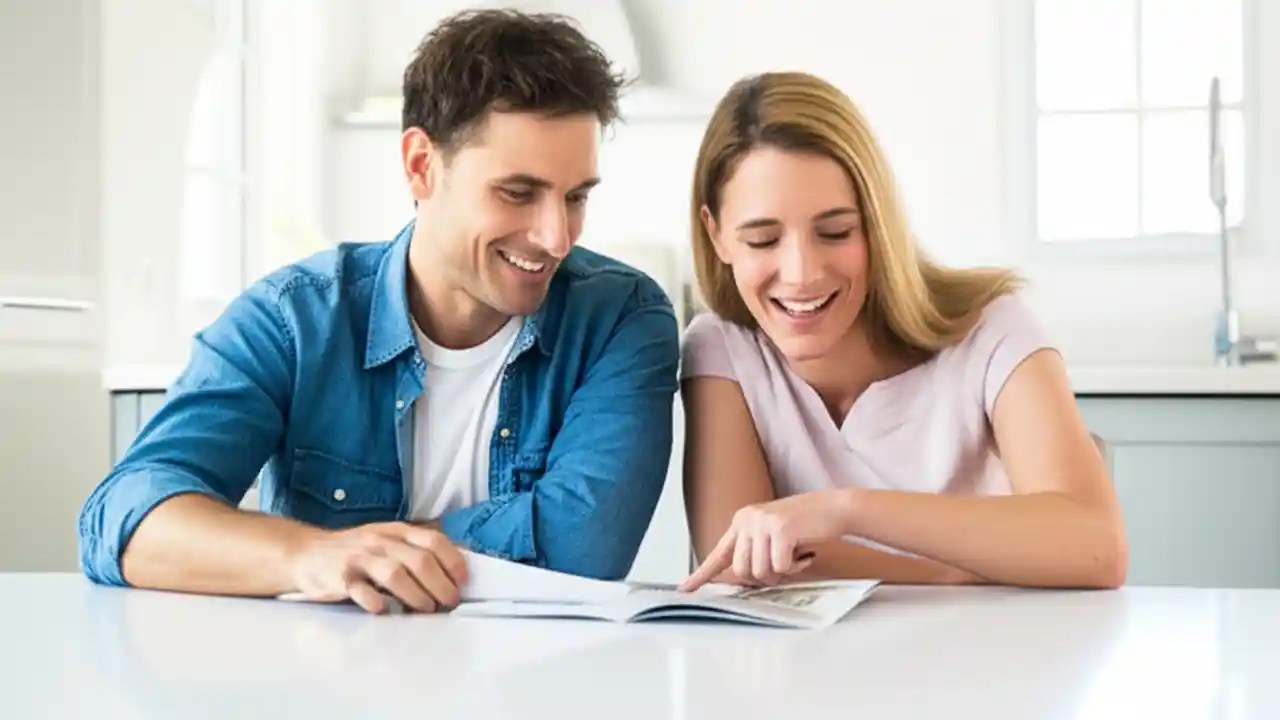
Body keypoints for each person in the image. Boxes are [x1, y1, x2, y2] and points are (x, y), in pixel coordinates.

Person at [78, 9, 680, 613]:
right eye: (517, 193)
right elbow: (126, 517)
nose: (556, 237)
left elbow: (584, 546)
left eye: (575, 197)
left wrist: (372, 555)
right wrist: (312, 556)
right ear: (421, 165)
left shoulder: (622, 318)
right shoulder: (295, 319)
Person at [678, 72, 1126, 592]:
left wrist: (847, 511)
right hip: (814, 673)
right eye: (762, 240)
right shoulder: (723, 350)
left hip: (997, 664)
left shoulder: (991, 329)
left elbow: (1096, 547)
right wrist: (953, 571)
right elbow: (735, 568)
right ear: (717, 236)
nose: (801, 272)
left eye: (835, 232)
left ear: (877, 223)